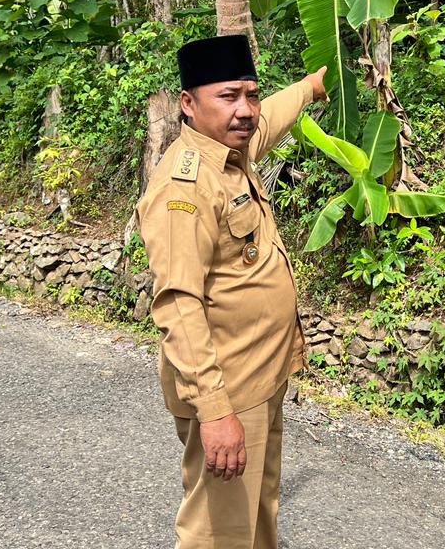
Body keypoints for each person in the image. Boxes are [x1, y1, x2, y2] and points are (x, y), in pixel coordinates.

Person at [135, 34, 327, 549]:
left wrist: (309, 87)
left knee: (256, 513)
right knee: (218, 533)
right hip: (227, 387)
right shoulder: (185, 187)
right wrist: (216, 411)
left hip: (260, 377)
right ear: (188, 103)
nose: (245, 110)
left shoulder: (232, 152)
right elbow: (178, 304)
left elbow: (272, 118)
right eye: (228, 96)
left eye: (251, 94)